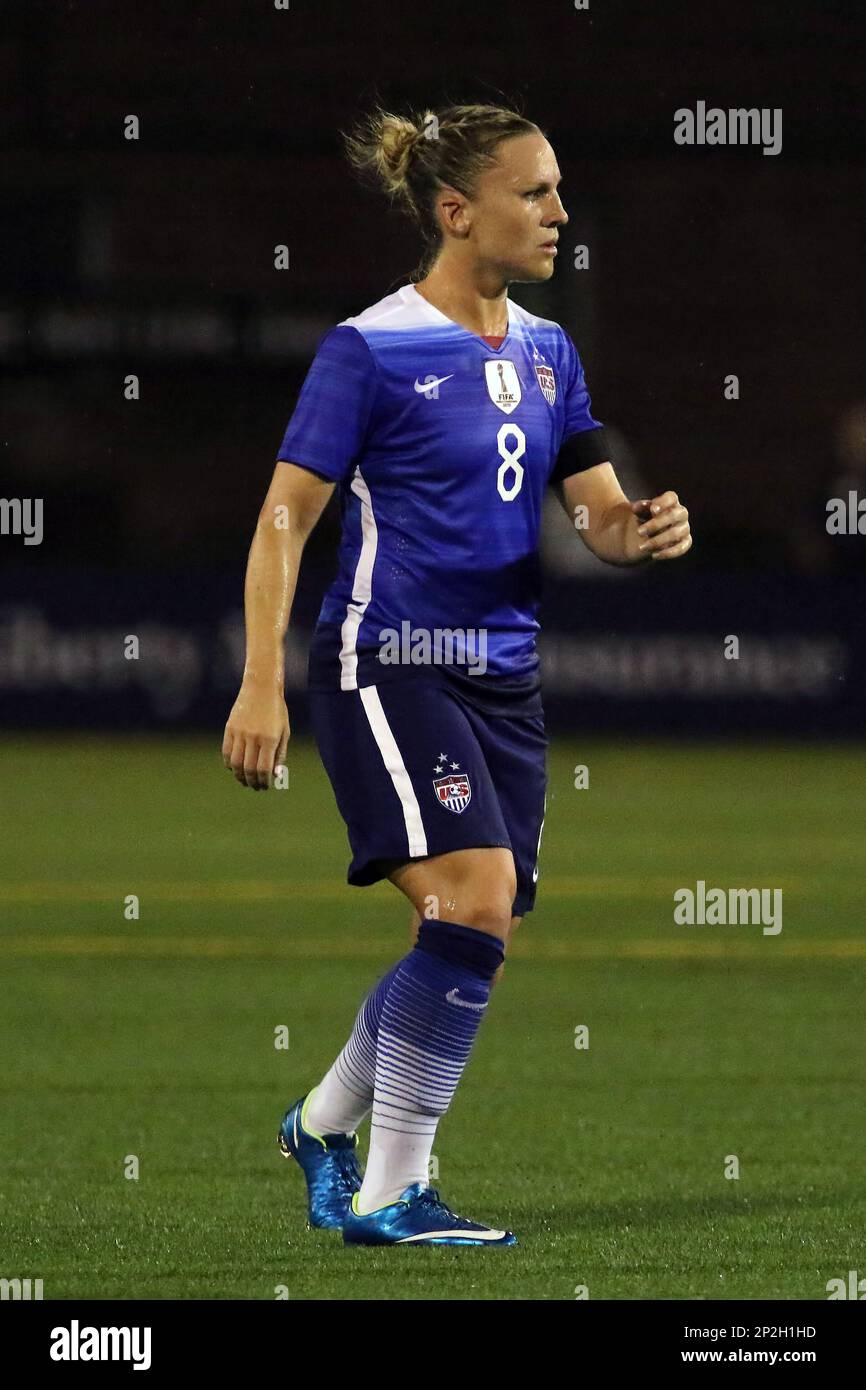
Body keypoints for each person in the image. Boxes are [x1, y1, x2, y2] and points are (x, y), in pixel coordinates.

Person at [222, 102, 692, 1247]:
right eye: (532, 192)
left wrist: (636, 530)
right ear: (454, 211)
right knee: (471, 903)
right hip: (385, 663)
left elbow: (591, 516)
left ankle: (323, 1120)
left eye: (557, 188)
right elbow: (285, 519)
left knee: (470, 926)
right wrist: (259, 681)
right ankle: (390, 1191)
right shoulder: (368, 346)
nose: (557, 213)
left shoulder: (545, 350)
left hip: (503, 681)